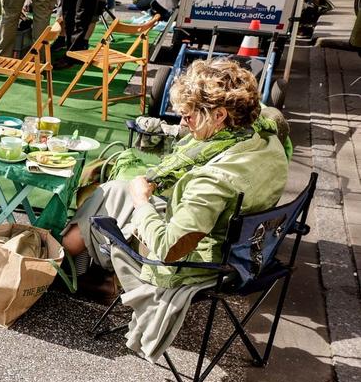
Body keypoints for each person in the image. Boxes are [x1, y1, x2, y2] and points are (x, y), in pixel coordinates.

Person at [62, 59, 290, 361]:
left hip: (196, 266)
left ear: (219, 115)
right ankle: (78, 265)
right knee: (116, 190)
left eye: (189, 115)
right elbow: (272, 116)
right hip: (247, 250)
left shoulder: (213, 180)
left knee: (112, 198)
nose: (183, 122)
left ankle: (64, 265)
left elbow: (169, 249)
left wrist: (142, 202)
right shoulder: (266, 132)